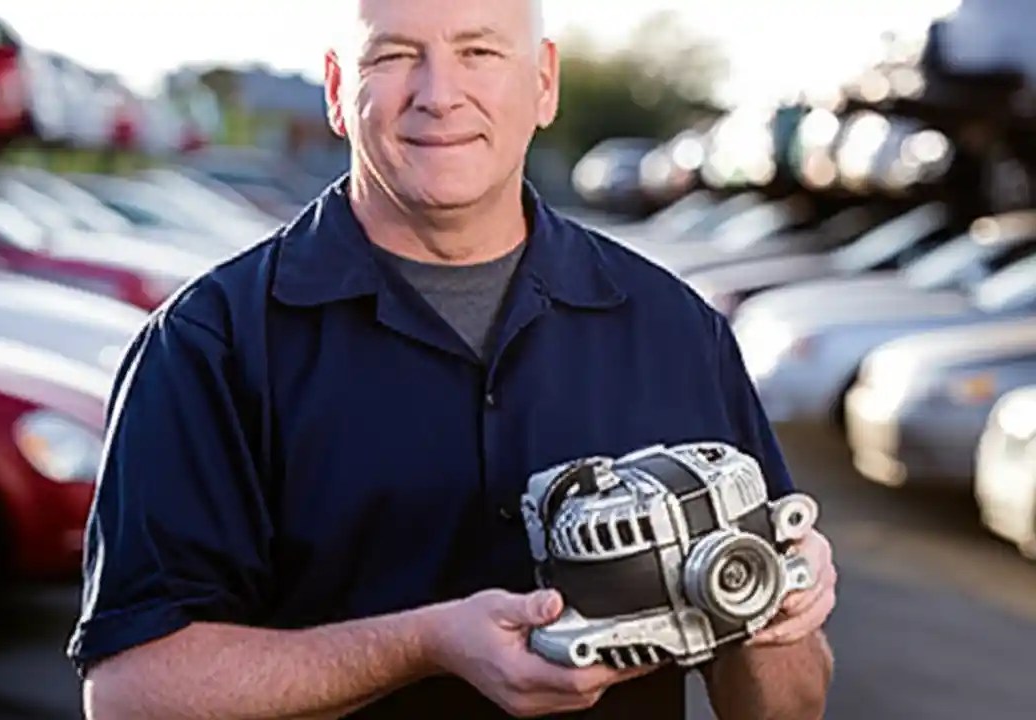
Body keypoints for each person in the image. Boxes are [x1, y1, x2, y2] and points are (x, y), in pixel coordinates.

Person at [69, 0, 838, 717]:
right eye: (396, 56)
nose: (440, 93)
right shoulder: (209, 345)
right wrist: (423, 645)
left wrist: (780, 610)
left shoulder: (677, 331)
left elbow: (787, 704)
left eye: (479, 51)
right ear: (338, 90)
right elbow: (133, 693)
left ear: (543, 83)